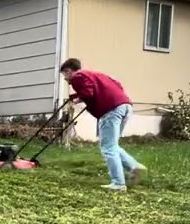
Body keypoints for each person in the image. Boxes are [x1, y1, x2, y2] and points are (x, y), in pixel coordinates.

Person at [60, 58, 146, 191]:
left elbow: (88, 93)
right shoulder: (95, 75)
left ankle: (118, 183)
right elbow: (117, 84)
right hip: (124, 106)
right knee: (112, 145)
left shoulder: (77, 77)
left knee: (108, 148)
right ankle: (134, 167)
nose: (66, 79)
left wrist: (79, 98)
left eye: (65, 75)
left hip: (110, 110)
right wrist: (76, 97)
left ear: (68, 71)